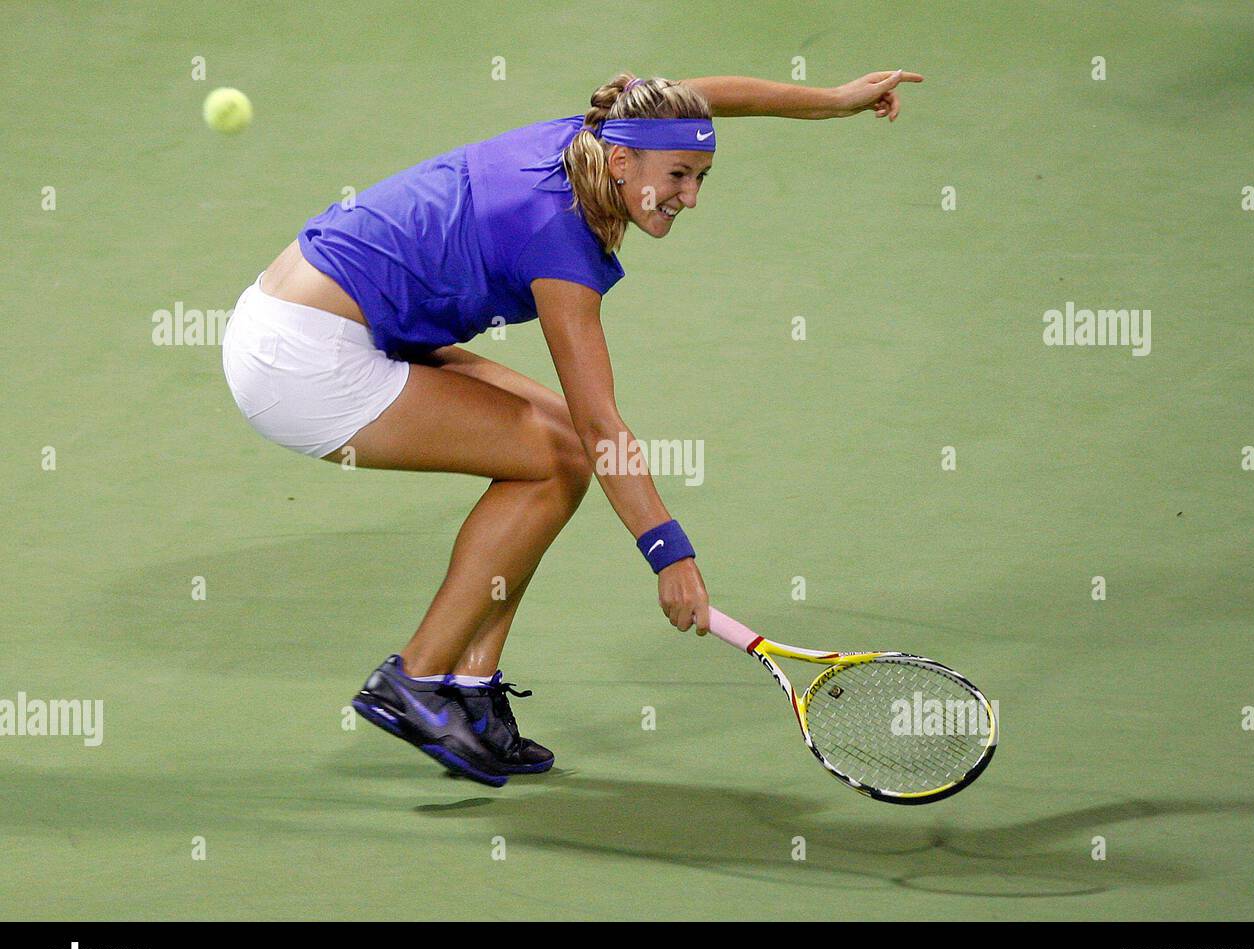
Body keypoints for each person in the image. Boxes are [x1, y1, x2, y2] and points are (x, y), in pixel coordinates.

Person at [221, 68, 923, 787]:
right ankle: (417, 679)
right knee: (556, 456)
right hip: (300, 361)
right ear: (624, 164)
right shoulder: (560, 238)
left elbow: (708, 98)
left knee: (555, 447)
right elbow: (600, 421)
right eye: (680, 176)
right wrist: (668, 552)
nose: (691, 196)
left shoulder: (601, 132)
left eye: (703, 175)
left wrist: (837, 102)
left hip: (333, 315)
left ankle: (470, 690)